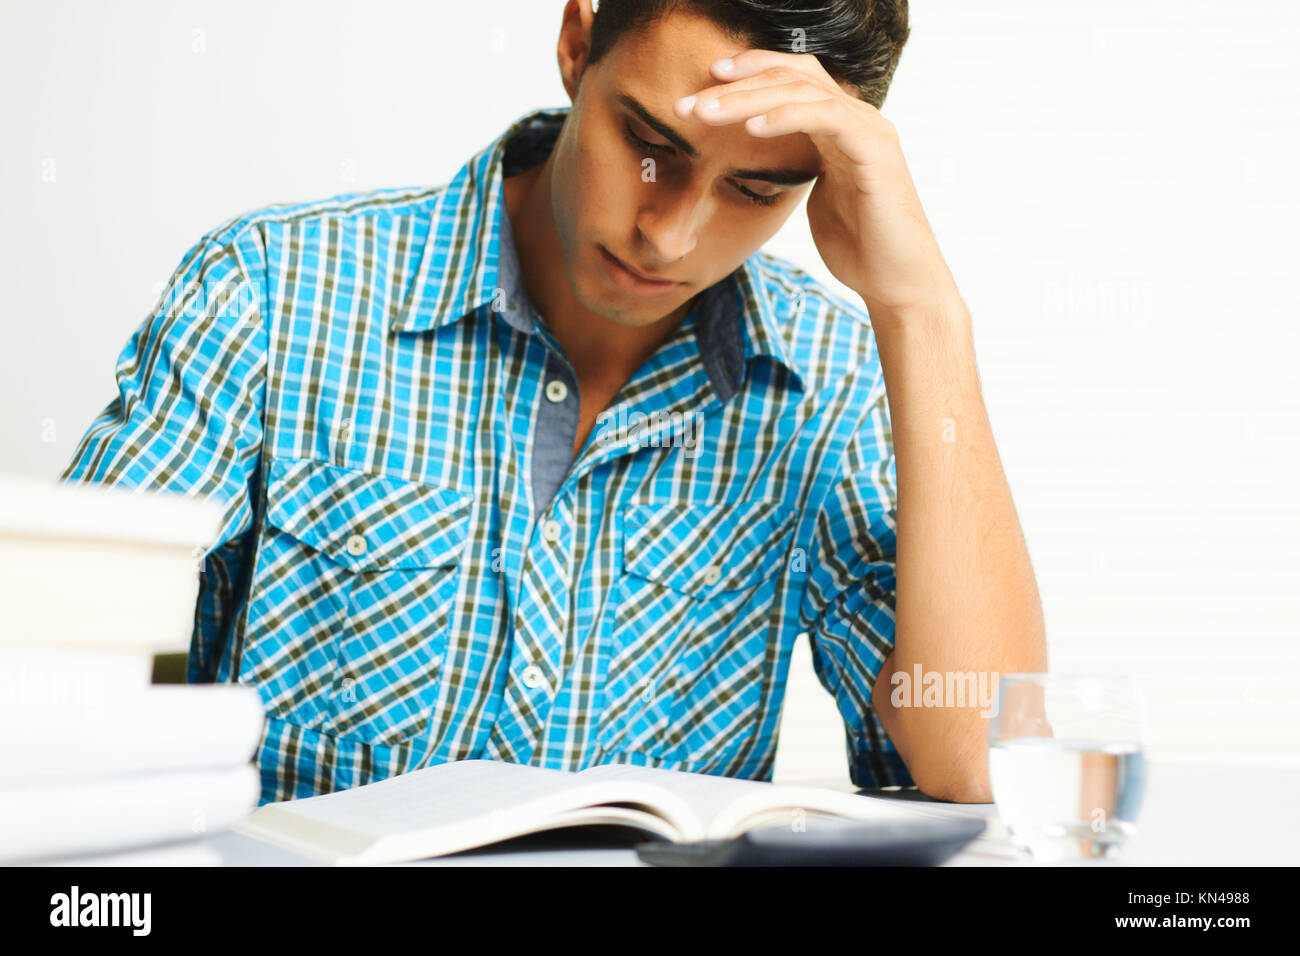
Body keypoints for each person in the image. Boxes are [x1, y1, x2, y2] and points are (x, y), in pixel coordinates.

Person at [61, 0, 1046, 807]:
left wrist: (921, 313)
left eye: (753, 189)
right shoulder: (276, 292)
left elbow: (978, 763)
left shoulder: (827, 382)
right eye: (649, 144)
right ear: (578, 43)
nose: (671, 231)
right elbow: (58, 678)